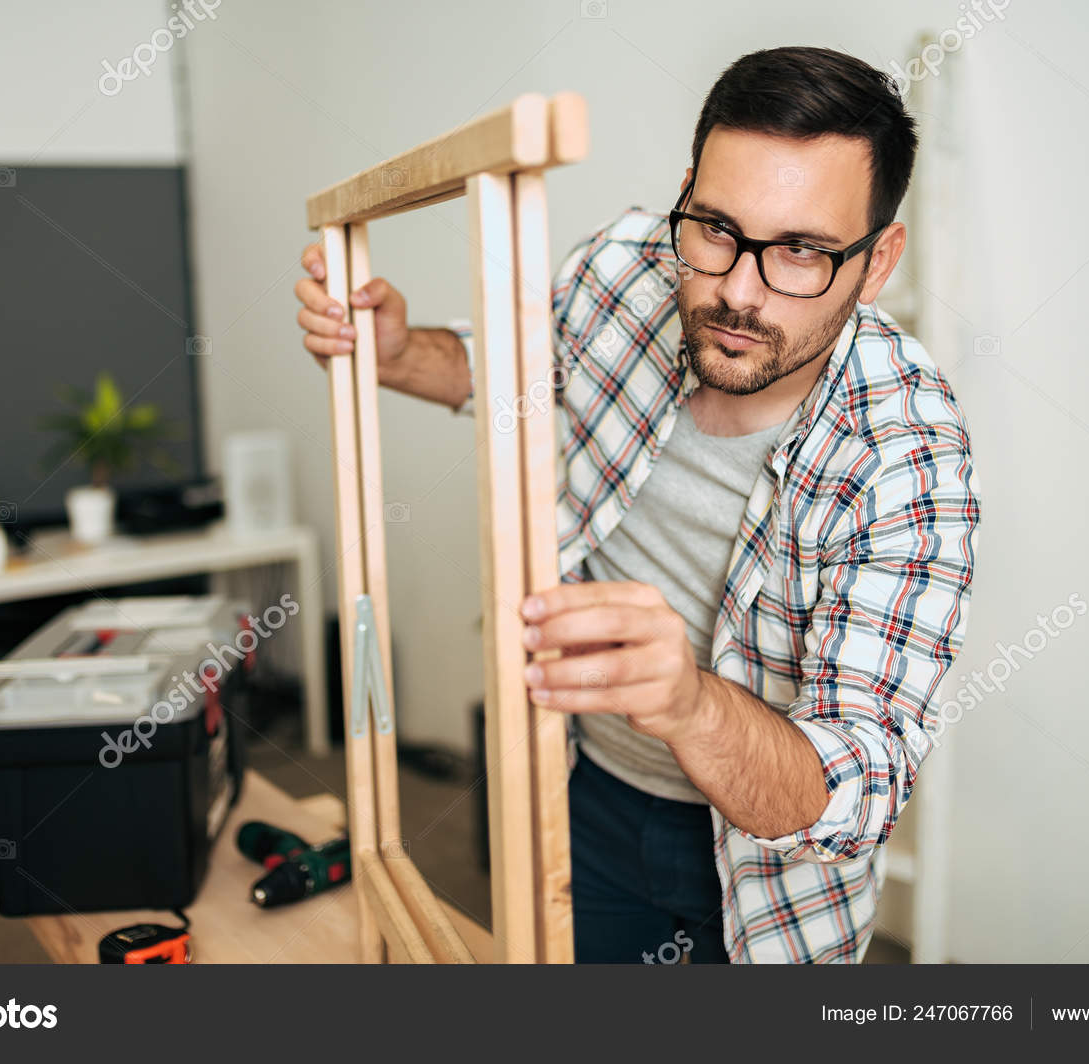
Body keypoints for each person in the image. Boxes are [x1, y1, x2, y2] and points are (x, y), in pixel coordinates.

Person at [292, 47, 980, 964]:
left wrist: (691, 703)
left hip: (765, 872)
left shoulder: (908, 456)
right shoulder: (629, 267)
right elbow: (519, 376)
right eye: (716, 229)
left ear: (877, 259)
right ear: (687, 192)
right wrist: (393, 350)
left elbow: (861, 782)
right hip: (577, 782)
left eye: (803, 252)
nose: (738, 290)